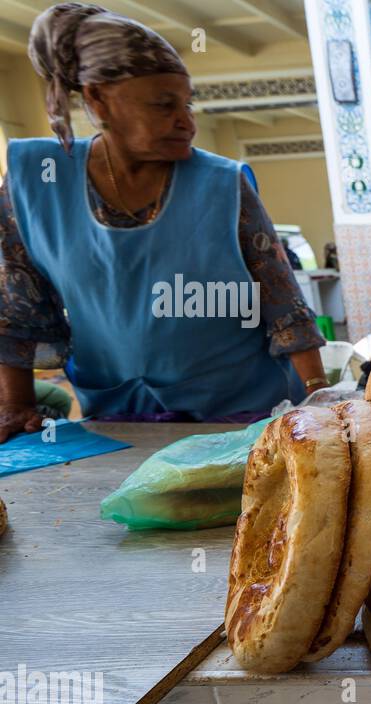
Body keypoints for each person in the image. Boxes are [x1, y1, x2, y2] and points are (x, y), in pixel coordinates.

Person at [0, 3, 328, 443]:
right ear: (98, 98)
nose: (186, 122)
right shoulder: (36, 179)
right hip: (116, 412)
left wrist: (319, 395)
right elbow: (19, 305)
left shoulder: (221, 182)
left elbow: (280, 299)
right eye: (163, 105)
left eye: (187, 103)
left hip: (239, 408)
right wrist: (16, 405)